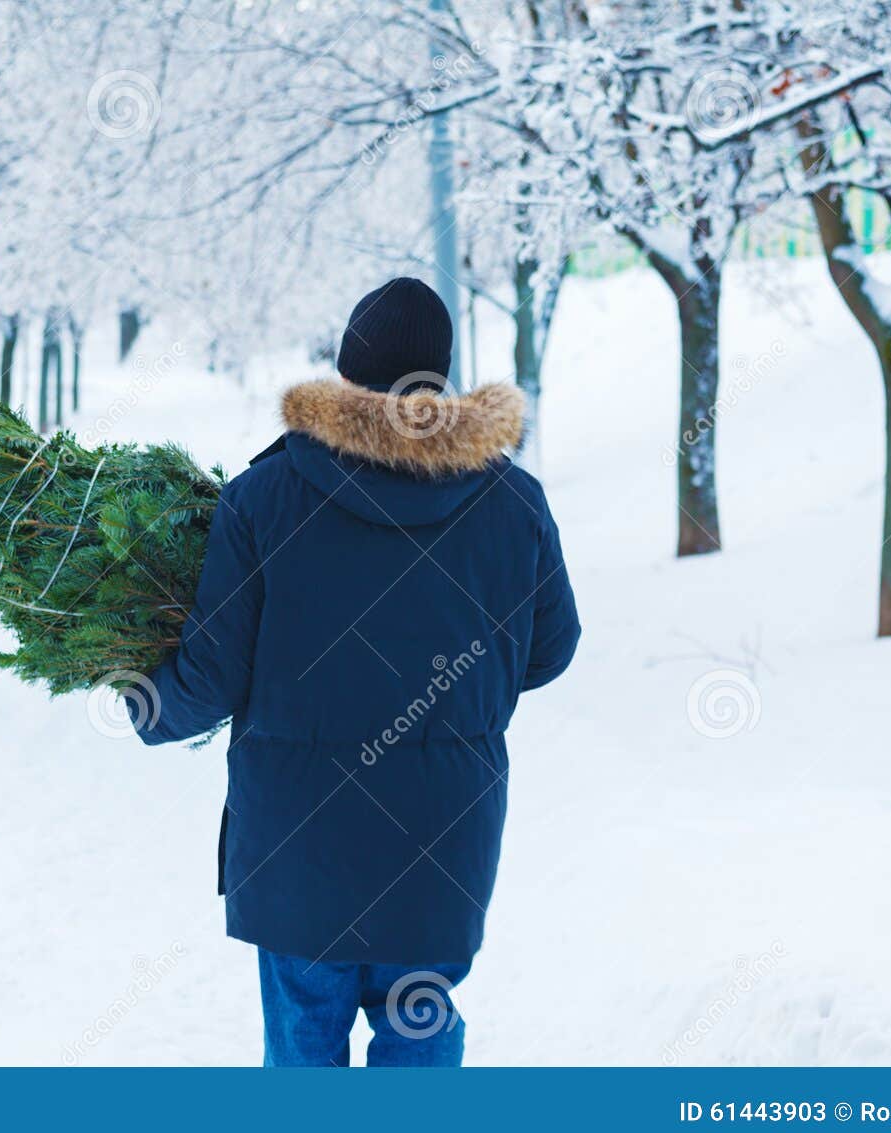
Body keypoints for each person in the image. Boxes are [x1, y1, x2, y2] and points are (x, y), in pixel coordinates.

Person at [129, 276, 580, 1066]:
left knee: (305, 1046)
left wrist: (144, 701)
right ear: (439, 379)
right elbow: (550, 648)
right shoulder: (514, 502)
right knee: (419, 1030)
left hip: (300, 848)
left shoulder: (262, 497)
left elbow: (213, 674)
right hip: (443, 838)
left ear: (345, 373)